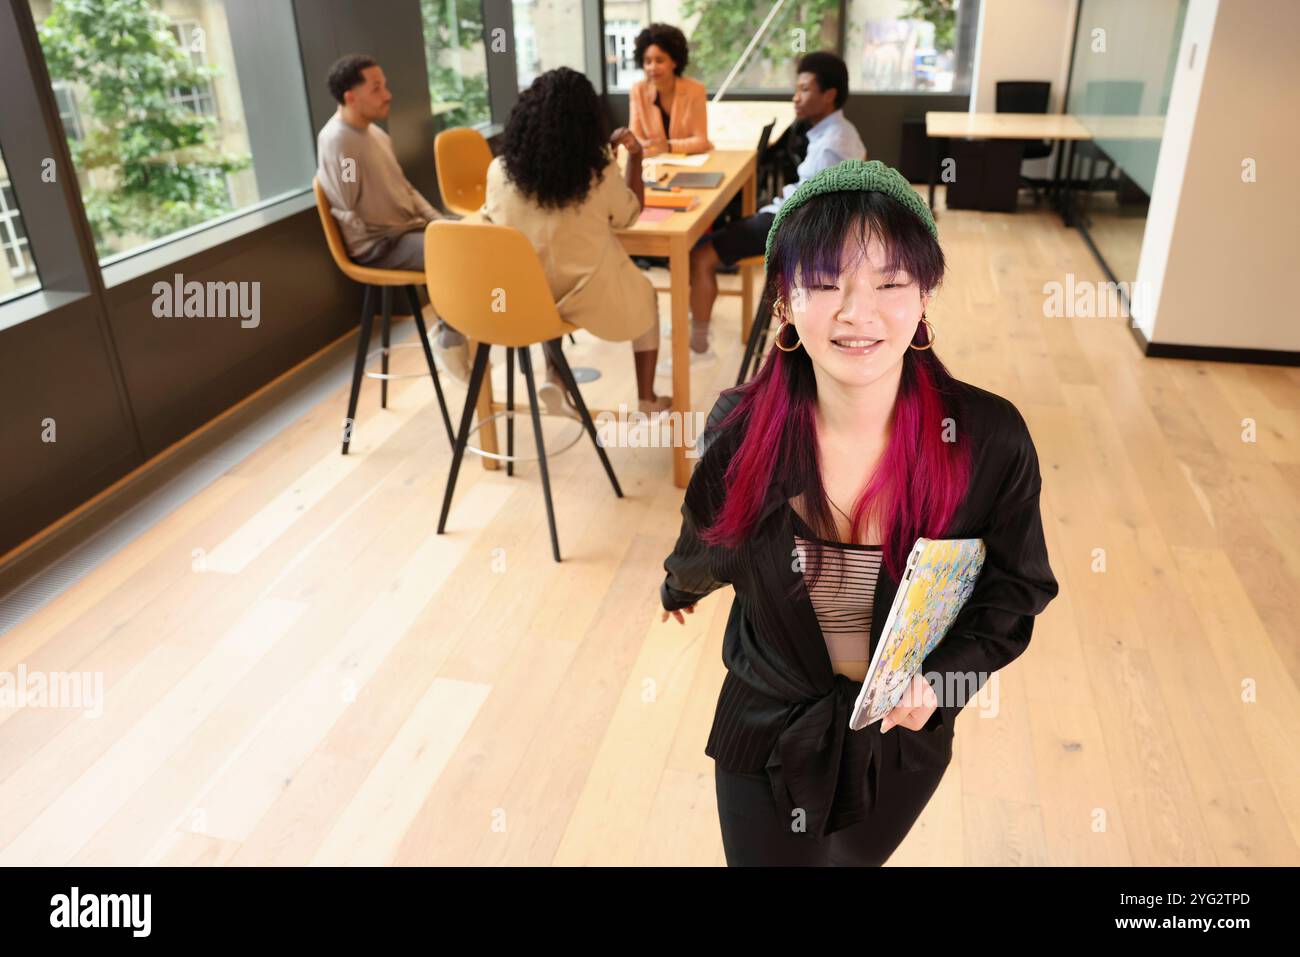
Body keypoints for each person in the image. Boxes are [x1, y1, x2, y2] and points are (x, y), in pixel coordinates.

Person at [658, 160, 1060, 866]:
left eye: (890, 281)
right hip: (768, 726)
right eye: (822, 281)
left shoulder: (990, 440)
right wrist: (677, 588)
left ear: (926, 291)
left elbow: (1017, 591)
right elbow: (706, 540)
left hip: (901, 737)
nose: (857, 311)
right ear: (782, 298)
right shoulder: (740, 428)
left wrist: (942, 682)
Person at [481, 67, 671, 416]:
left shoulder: (498, 171)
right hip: (592, 298)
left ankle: (554, 373)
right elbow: (628, 216)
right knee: (647, 294)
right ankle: (646, 398)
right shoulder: (597, 172)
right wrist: (635, 159)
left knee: (543, 277)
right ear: (587, 123)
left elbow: (491, 222)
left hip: (523, 299)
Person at [662, 51, 865, 375]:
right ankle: (695, 319)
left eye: (805, 90)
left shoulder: (830, 145)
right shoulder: (842, 133)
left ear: (829, 95)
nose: (795, 97)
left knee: (701, 254)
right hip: (796, 218)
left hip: (793, 227)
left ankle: (698, 347)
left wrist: (772, 207)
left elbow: (811, 206)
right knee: (717, 233)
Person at [315, 54, 471, 383]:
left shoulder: (376, 135)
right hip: (379, 245)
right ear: (350, 97)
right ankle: (452, 339)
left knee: (475, 236)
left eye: (384, 86)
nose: (387, 94)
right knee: (453, 254)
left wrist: (435, 222)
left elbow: (405, 189)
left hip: (407, 232)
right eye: (376, 88)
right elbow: (347, 204)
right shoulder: (337, 140)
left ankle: (462, 327)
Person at [627, 23, 712, 156]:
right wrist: (644, 145)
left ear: (674, 61)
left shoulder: (695, 90)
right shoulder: (638, 90)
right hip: (654, 165)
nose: (652, 67)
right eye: (648, 61)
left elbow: (701, 141)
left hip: (692, 165)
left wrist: (667, 146)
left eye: (659, 60)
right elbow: (635, 137)